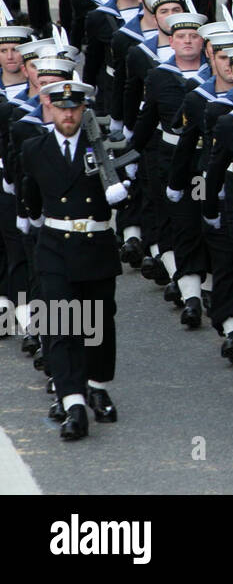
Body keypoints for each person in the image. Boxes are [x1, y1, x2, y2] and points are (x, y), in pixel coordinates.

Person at [21, 78, 133, 440]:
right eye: (61, 107)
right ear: (49, 108)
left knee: (98, 324)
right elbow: (32, 201)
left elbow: (130, 191)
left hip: (96, 243)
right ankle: (73, 403)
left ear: (83, 110)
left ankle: (97, 385)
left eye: (74, 108)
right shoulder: (34, 149)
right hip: (55, 246)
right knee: (61, 325)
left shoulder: (102, 149)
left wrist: (121, 191)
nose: (68, 114)